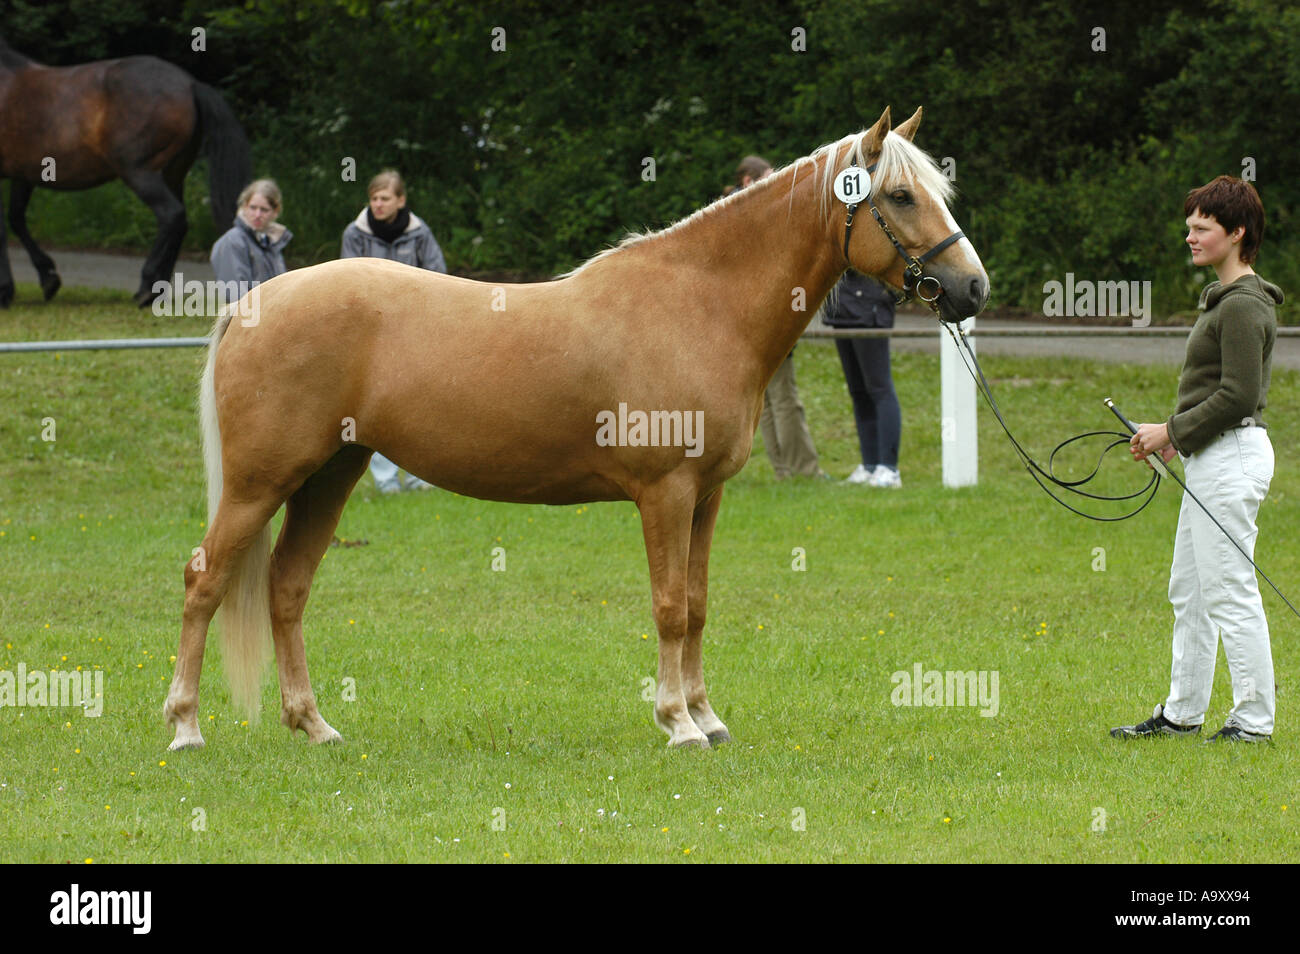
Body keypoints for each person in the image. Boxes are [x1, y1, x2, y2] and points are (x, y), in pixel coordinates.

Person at [1112, 175, 1282, 743]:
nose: (1190, 236)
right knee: (1190, 589)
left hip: (1231, 455)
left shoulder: (1243, 307)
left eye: (1201, 228)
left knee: (1231, 591)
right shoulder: (1226, 300)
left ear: (1236, 233)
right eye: (1189, 226)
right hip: (1211, 455)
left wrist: (1171, 432)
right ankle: (1182, 713)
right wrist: (1167, 435)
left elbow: (1237, 395)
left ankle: (1254, 723)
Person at [341, 170, 446, 493]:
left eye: (384, 198)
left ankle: (419, 477)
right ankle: (386, 483)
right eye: (373, 198)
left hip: (414, 331)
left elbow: (438, 276)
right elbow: (347, 280)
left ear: (400, 200)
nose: (378, 205)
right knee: (374, 405)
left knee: (418, 401)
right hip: (370, 333)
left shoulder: (420, 233)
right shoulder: (355, 234)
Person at [729, 155, 826, 480]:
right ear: (748, 182)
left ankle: (784, 470)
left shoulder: (728, 217)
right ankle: (805, 470)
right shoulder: (752, 217)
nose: (775, 184)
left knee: (768, 403)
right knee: (785, 399)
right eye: (769, 177)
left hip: (741, 324)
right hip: (764, 321)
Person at [827, 270, 903, 487]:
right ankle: (869, 465)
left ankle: (889, 468)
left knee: (879, 389)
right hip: (842, 308)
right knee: (858, 392)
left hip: (870, 307)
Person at [210, 179, 291, 306]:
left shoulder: (271, 241)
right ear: (244, 207)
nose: (257, 214)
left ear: (275, 212)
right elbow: (236, 297)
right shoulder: (233, 241)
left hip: (273, 317)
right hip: (250, 319)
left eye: (264, 210)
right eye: (253, 207)